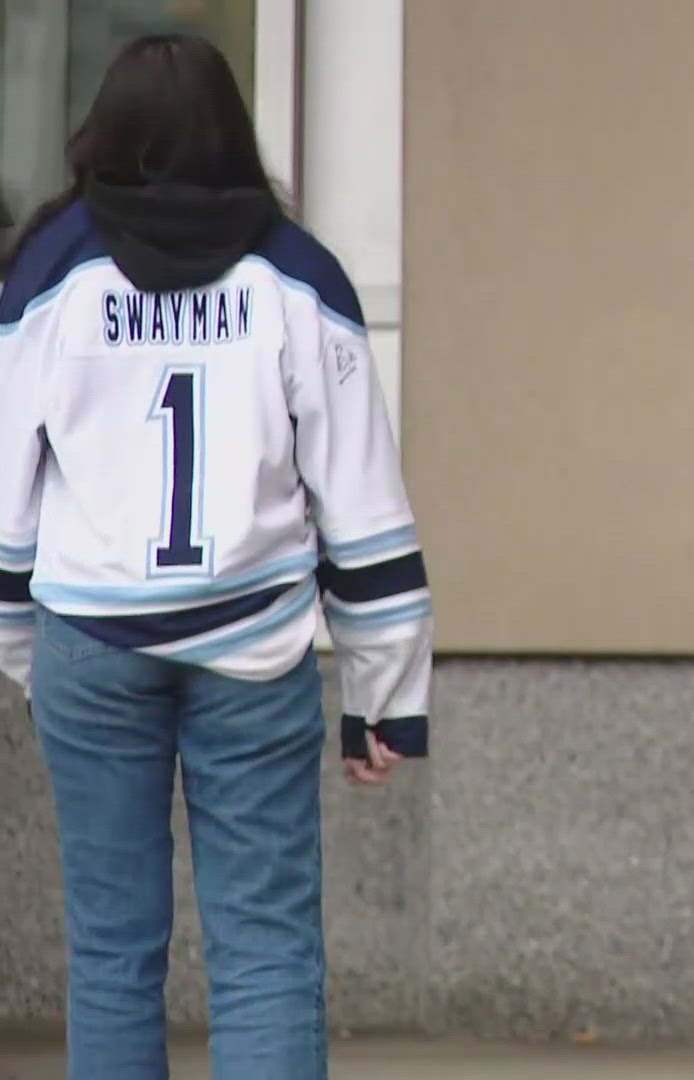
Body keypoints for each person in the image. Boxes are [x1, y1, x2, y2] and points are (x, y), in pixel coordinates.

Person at [0, 34, 432, 1080]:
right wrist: (386, 697)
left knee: (109, 953)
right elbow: (365, 506)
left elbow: (5, 502)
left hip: (91, 648)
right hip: (255, 647)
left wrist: (24, 660)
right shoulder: (298, 276)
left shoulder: (49, 275)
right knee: (268, 953)